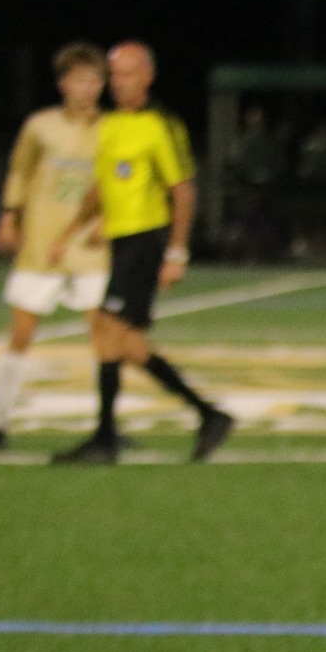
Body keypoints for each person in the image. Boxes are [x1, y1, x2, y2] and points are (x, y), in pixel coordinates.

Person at [48, 41, 233, 464]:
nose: (119, 83)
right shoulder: (110, 124)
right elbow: (101, 187)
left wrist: (177, 252)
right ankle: (208, 414)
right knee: (126, 344)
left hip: (147, 242)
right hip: (122, 243)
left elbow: (183, 192)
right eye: (114, 75)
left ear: (148, 77)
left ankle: (105, 438)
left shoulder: (161, 125)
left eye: (128, 74)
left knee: (107, 331)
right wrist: (72, 230)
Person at [0, 42, 111, 449]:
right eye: (80, 79)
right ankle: (0, 424)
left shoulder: (112, 128)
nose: (88, 88)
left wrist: (108, 221)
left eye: (95, 80)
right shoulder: (40, 126)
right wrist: (9, 215)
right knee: (21, 334)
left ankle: (107, 426)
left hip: (90, 248)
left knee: (106, 339)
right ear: (63, 84)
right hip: (41, 244)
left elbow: (120, 183)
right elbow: (19, 172)